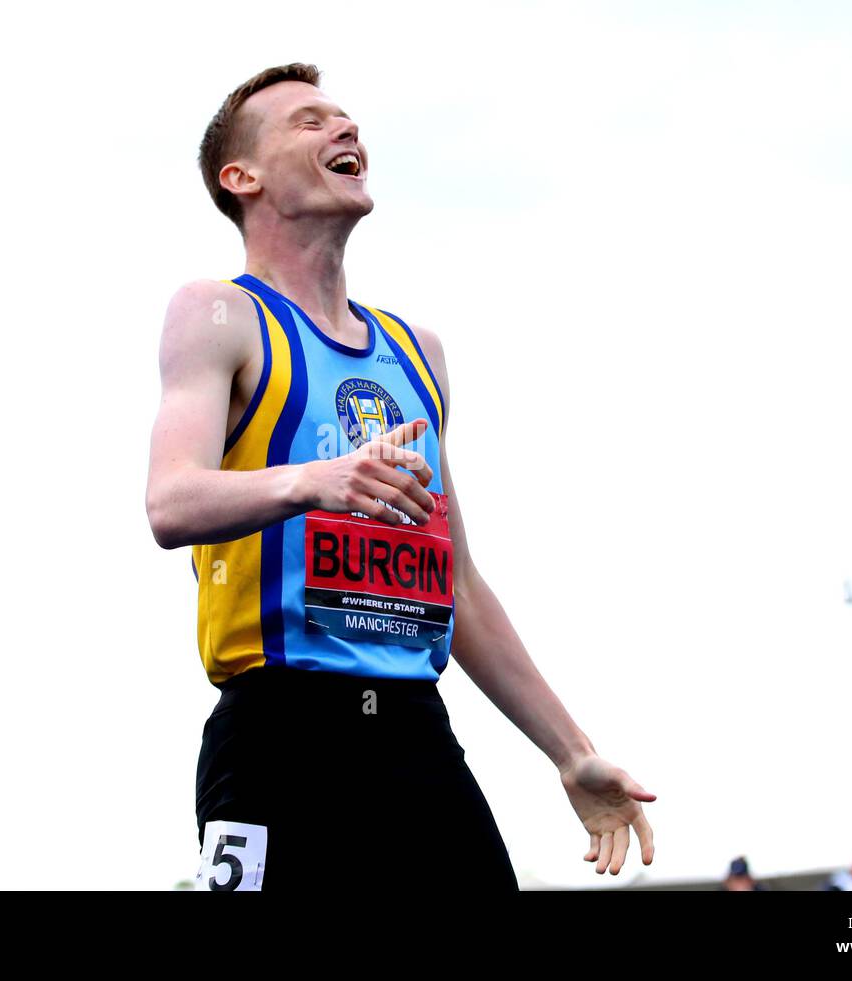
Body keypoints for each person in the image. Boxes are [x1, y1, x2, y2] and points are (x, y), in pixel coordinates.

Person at [145, 63, 657, 892]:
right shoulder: (217, 313)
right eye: (310, 122)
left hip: (415, 738)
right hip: (277, 737)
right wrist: (316, 481)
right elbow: (170, 502)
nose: (345, 131)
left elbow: (456, 581)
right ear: (240, 178)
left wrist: (572, 751)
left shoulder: (417, 351)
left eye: (347, 120)